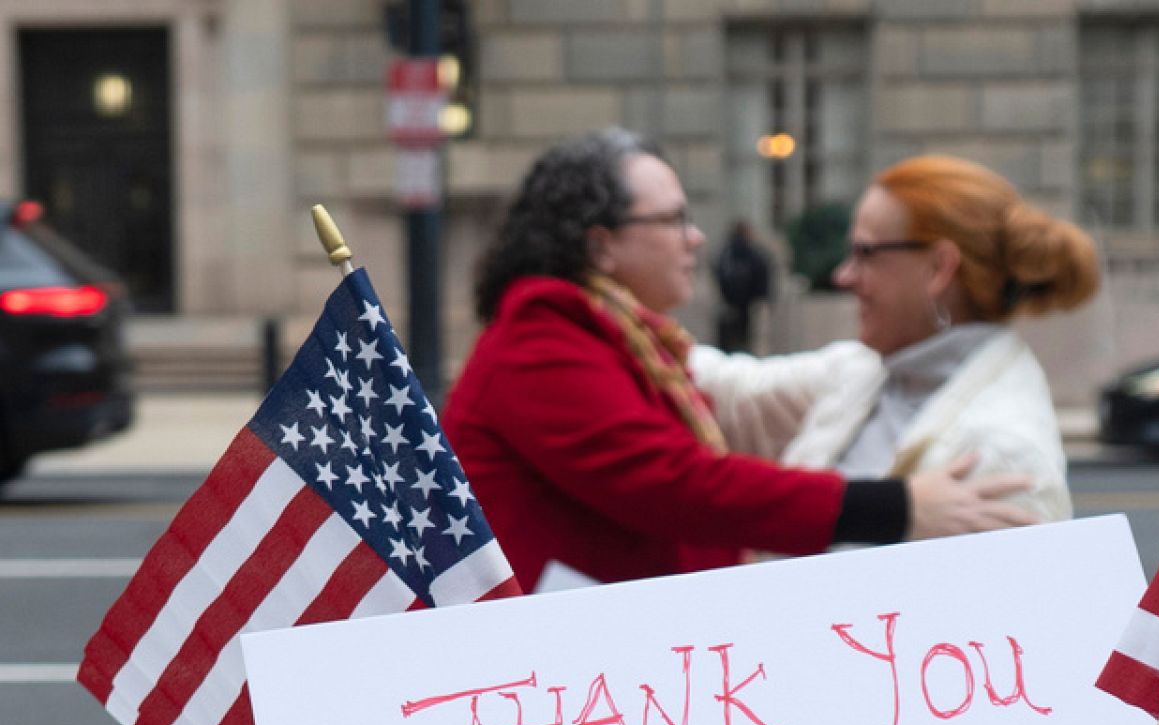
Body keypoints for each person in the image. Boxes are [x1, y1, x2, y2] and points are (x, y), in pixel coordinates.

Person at [440, 129, 1033, 590]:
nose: (695, 238)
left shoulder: (623, 337)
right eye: (674, 220)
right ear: (601, 246)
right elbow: (677, 484)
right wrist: (894, 506)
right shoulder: (540, 340)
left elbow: (744, 394)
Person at [692, 154, 1101, 524]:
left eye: (864, 254)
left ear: (939, 268)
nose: (843, 276)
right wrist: (634, 320)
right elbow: (731, 390)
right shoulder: (872, 370)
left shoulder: (1006, 450)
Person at [712, 219, 773, 353]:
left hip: (731, 305)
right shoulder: (753, 254)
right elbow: (763, 274)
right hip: (747, 306)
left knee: (728, 346)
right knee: (747, 344)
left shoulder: (726, 254)